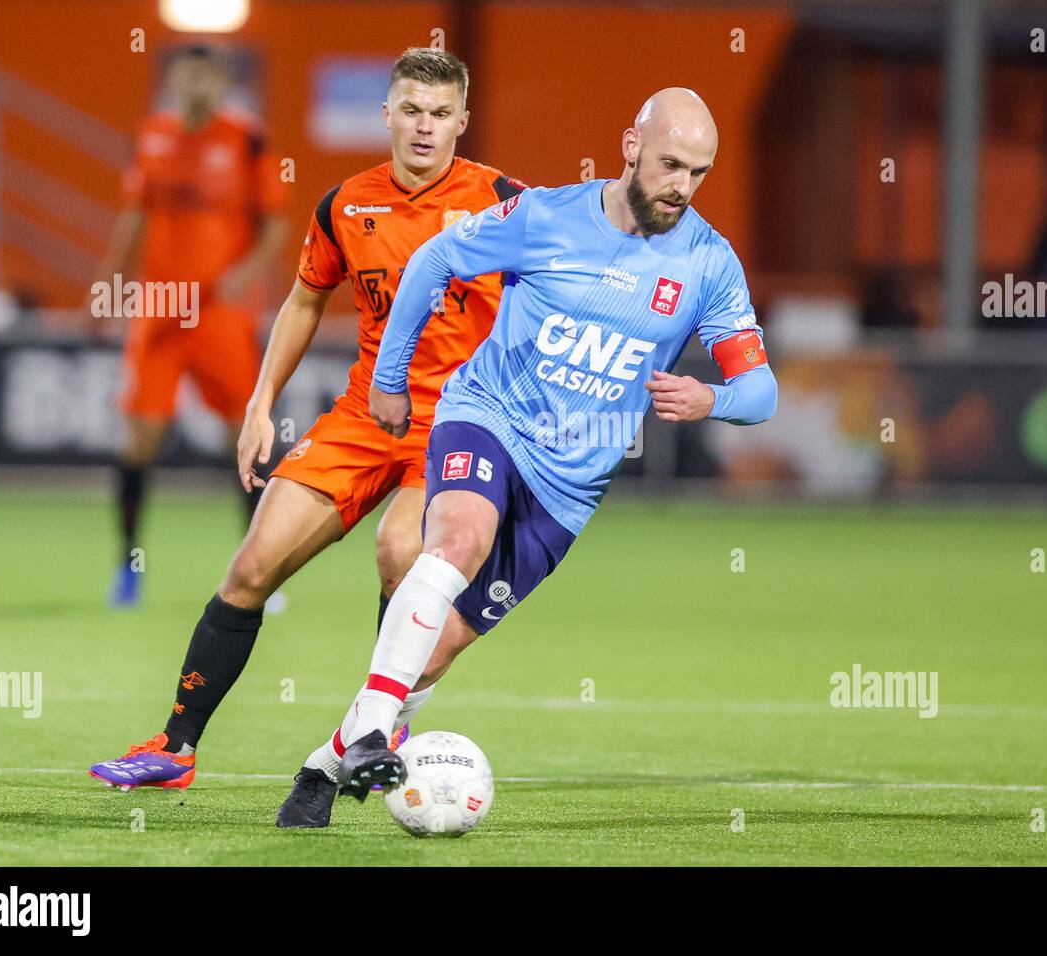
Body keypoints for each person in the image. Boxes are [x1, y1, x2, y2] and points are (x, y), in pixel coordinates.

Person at [290, 87, 778, 820]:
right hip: (487, 416)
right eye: (671, 164)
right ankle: (369, 731)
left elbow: (762, 390)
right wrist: (390, 379)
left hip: (569, 490)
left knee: (441, 647)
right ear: (630, 147)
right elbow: (432, 262)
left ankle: (323, 769)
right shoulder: (545, 216)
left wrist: (715, 400)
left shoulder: (708, 263)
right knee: (458, 538)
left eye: (699, 173)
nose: (683, 186)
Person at [87, 49, 527, 802]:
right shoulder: (346, 205)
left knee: (400, 548)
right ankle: (176, 745)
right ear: (388, 115)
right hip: (365, 416)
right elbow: (302, 301)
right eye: (410, 110)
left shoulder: (506, 203)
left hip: (460, 421)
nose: (424, 127)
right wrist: (261, 404)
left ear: (462, 121)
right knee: (252, 564)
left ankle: (380, 730)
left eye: (439, 113)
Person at [94, 44, 289, 607]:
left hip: (221, 315)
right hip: (160, 308)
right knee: (140, 440)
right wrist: (107, 278)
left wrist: (244, 274)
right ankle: (128, 566)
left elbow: (275, 223)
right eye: (184, 75)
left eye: (203, 75)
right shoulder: (153, 134)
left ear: (222, 80)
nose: (193, 85)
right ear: (171, 82)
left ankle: (257, 570)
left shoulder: (248, 139)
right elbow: (135, 211)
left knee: (244, 438)